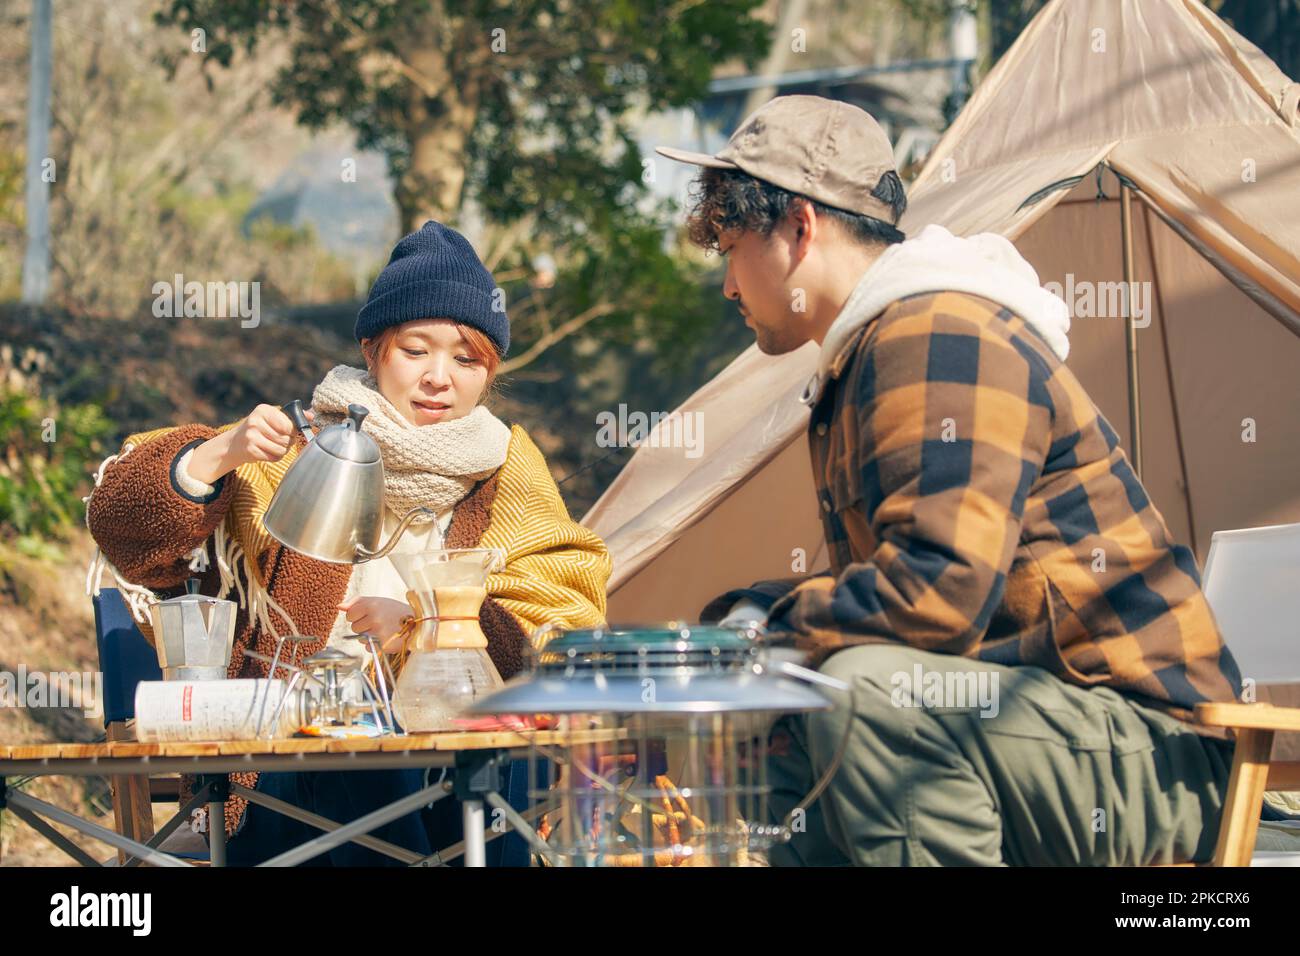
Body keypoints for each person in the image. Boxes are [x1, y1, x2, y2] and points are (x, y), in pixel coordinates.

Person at [658, 95, 1244, 866]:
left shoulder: (934, 332)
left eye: (731, 247)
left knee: (869, 696)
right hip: (1046, 734)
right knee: (777, 750)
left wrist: (766, 638)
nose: (729, 287)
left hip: (1156, 759)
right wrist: (749, 617)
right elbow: (898, 582)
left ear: (800, 226)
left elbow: (937, 593)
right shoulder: (875, 347)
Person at [85, 221, 612, 865]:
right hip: (297, 769)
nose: (439, 377)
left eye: (466, 358)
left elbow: (563, 616)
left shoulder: (509, 467)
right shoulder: (298, 447)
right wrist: (220, 454)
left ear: (490, 370)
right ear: (373, 350)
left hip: (457, 753)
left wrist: (429, 625)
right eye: (415, 350)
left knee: (503, 765)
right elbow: (123, 526)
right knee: (357, 751)